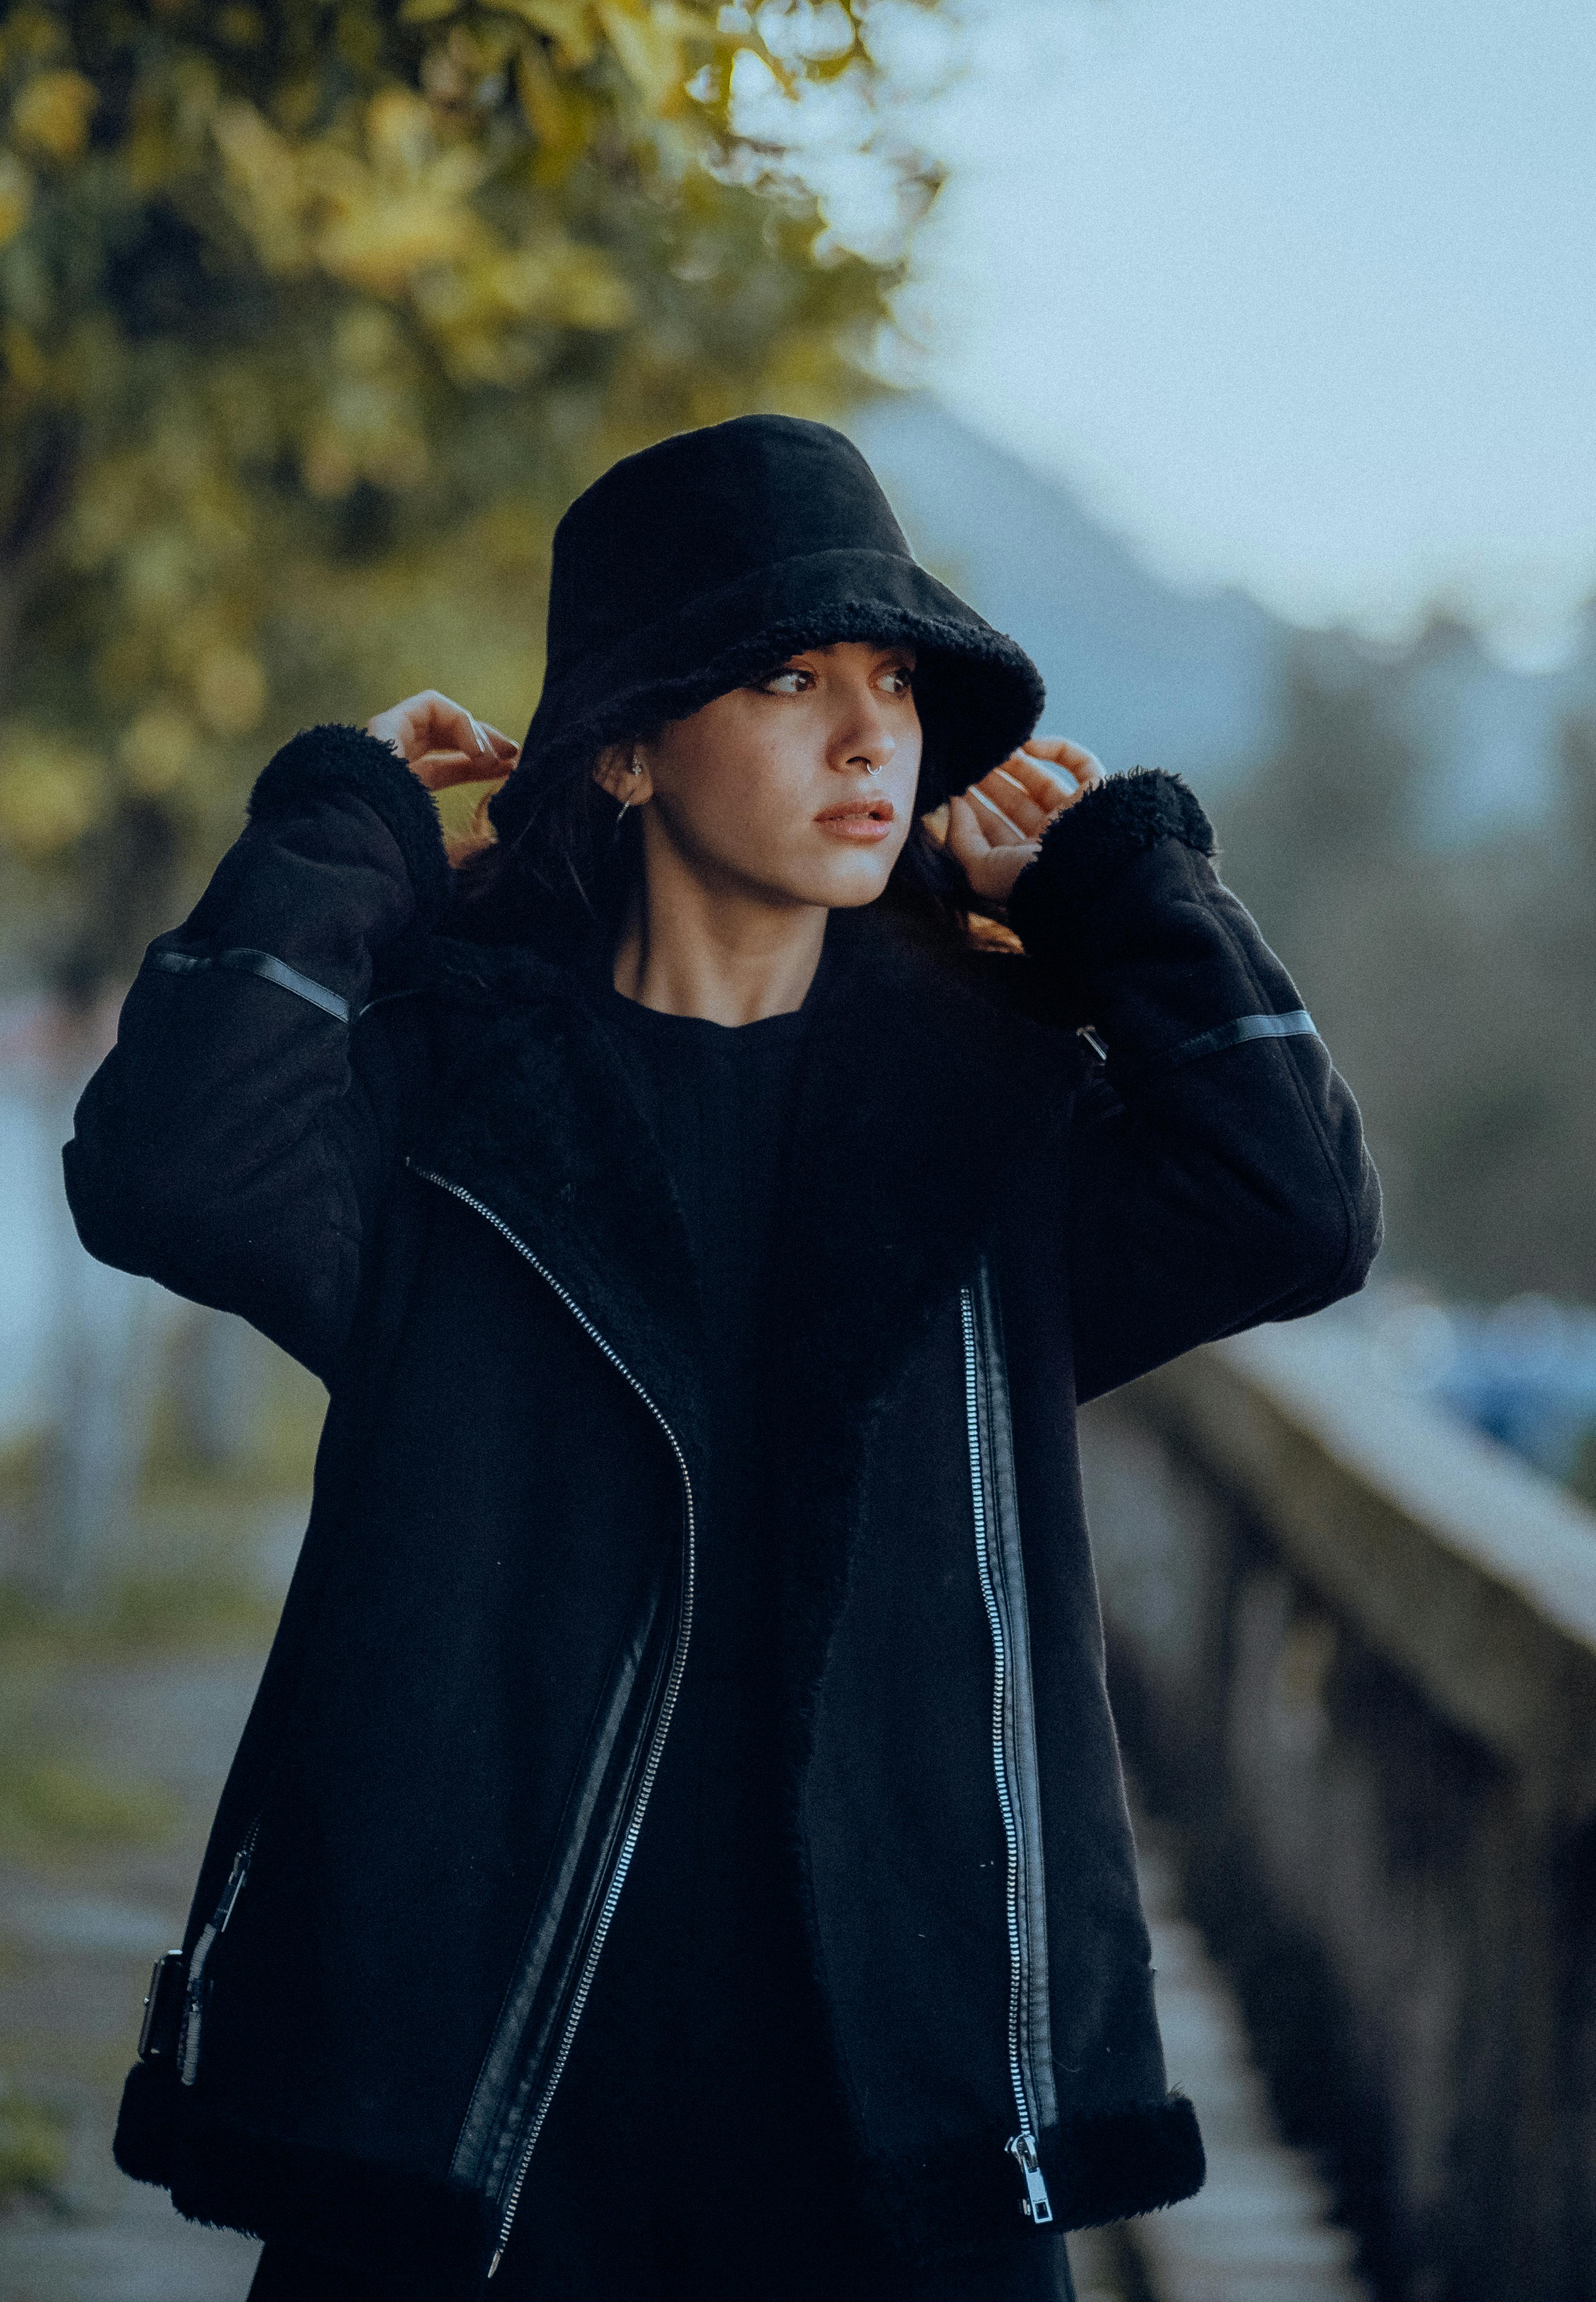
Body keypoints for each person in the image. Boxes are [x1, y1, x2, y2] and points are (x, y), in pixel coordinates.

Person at [67, 414, 1380, 2301]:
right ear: (626, 746)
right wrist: (342, 828)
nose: (867, 740)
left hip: (906, 2107)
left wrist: (1125, 889)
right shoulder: (448, 1102)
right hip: (477, 2093)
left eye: (895, 685)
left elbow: (1297, 1211)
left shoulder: (994, 1120)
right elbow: (168, 1171)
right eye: (787, 679)